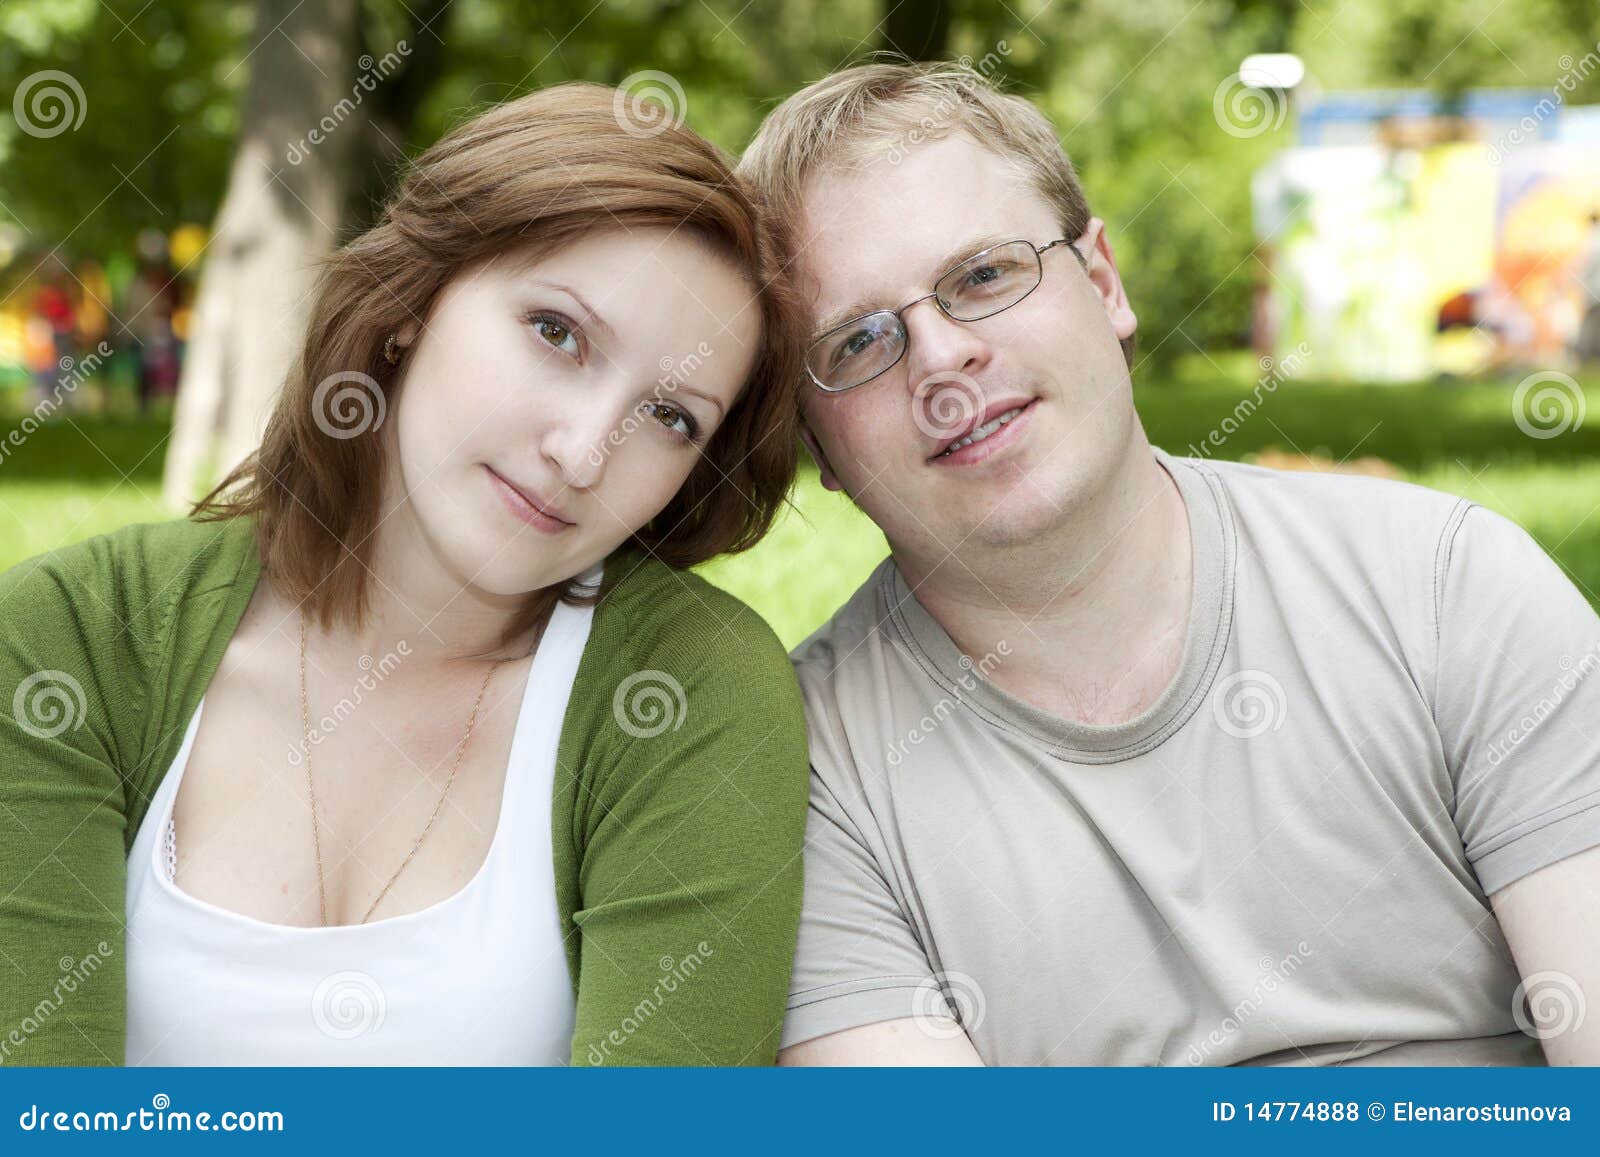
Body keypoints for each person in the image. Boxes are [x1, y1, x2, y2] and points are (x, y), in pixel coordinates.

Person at [736, 61, 1600, 1066]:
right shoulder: (799, 775)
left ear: (1103, 283)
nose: (940, 358)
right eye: (858, 342)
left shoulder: (1445, 585)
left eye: (982, 275)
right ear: (815, 443)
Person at [0, 83, 811, 1067]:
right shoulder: (73, 633)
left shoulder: (689, 687)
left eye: (672, 416)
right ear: (410, 307)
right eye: (557, 333)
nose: (585, 451)